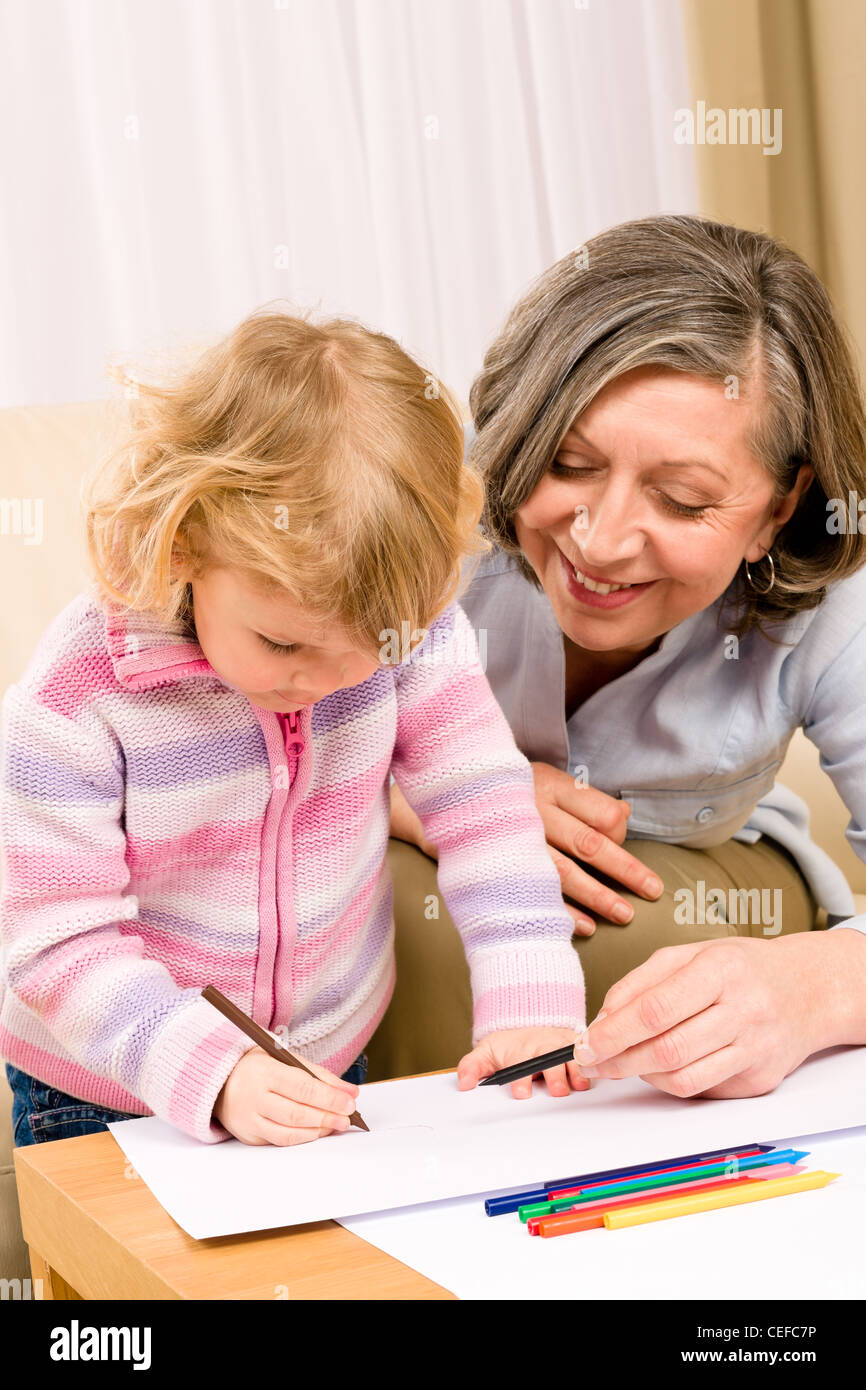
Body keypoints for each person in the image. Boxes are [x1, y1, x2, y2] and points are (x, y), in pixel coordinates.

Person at [1, 309, 588, 1149]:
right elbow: (59, 944)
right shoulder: (77, 700)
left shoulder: (404, 639)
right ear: (183, 543)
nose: (327, 682)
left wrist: (531, 998)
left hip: (320, 1060)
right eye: (283, 644)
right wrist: (217, 1072)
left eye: (370, 652)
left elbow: (485, 812)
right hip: (103, 1084)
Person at [383, 215, 866, 1102]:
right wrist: (434, 792)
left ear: (779, 506)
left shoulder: (837, 606)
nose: (600, 544)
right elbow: (218, 734)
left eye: (683, 501)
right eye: (568, 462)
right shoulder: (420, 515)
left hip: (710, 871)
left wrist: (814, 989)